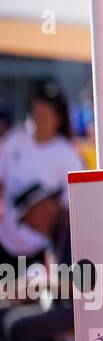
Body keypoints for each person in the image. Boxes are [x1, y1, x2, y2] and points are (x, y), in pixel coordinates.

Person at [0, 180, 73, 341]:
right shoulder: (55, 237)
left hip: (84, 309)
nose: (31, 227)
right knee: (5, 312)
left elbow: (83, 284)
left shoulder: (73, 230)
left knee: (20, 325)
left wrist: (38, 284)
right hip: (60, 304)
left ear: (43, 208)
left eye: (30, 219)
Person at [0, 80, 84, 264]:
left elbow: (74, 207)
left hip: (41, 253)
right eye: (38, 111)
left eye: (47, 113)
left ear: (59, 118)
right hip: (4, 242)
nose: (41, 117)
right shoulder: (15, 140)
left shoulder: (68, 155)